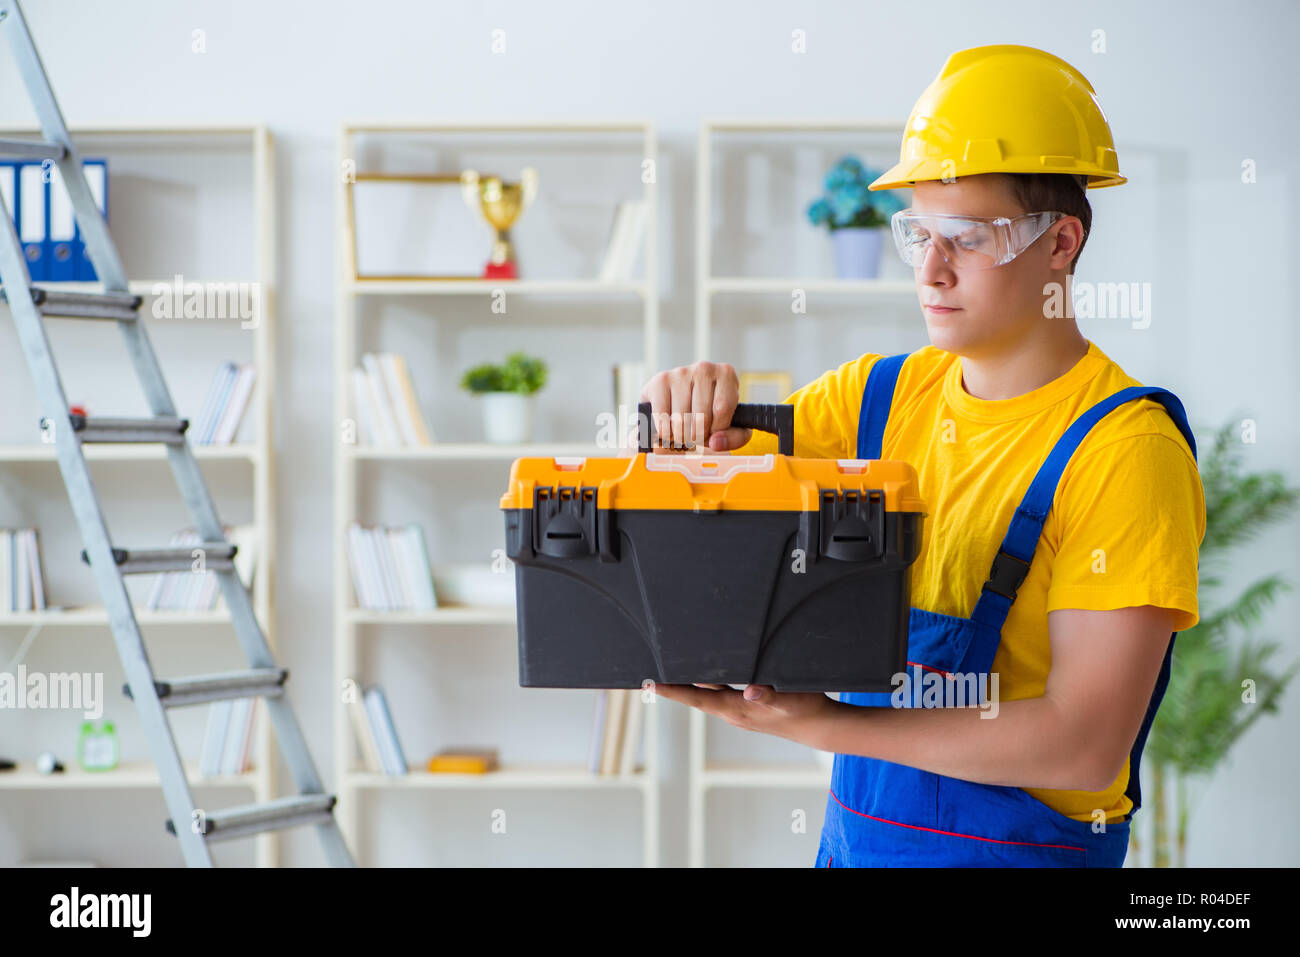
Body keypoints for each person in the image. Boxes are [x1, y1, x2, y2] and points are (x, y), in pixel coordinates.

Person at [643, 44, 1206, 867]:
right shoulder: (872, 401)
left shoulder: (1125, 449)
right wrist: (685, 412)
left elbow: (1083, 742)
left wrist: (826, 723)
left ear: (1060, 245)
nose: (932, 270)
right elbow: (687, 489)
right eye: (918, 234)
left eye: (969, 237)